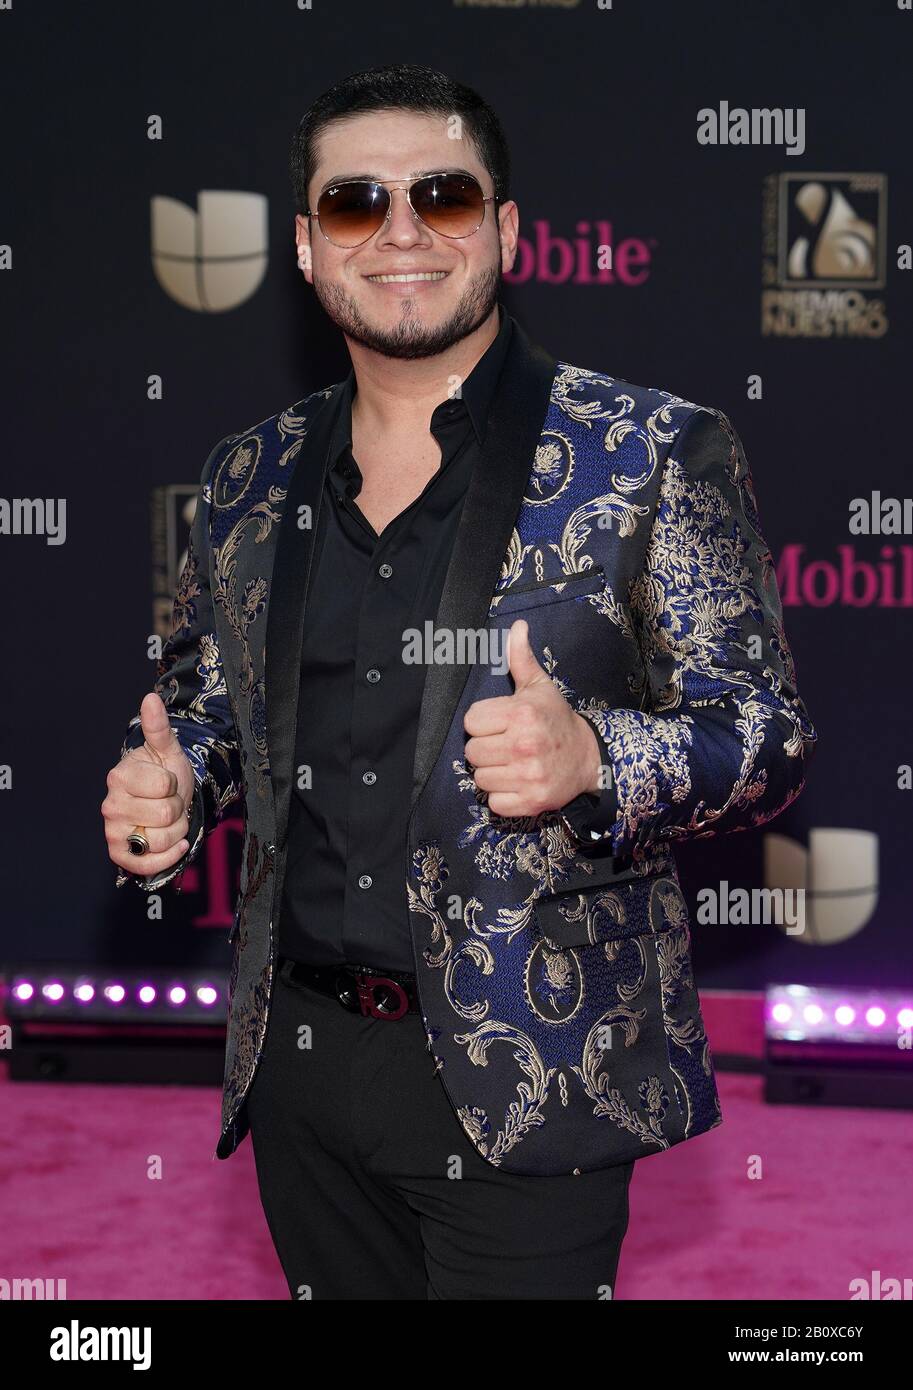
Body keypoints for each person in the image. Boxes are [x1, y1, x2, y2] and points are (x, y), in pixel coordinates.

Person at [102, 63, 817, 1300]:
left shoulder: (646, 454)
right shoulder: (243, 478)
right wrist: (179, 785)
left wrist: (598, 759)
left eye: (441, 196)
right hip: (304, 1067)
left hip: (537, 1075)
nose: (399, 234)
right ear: (306, 250)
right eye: (354, 204)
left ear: (506, 232)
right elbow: (216, 710)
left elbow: (765, 734)